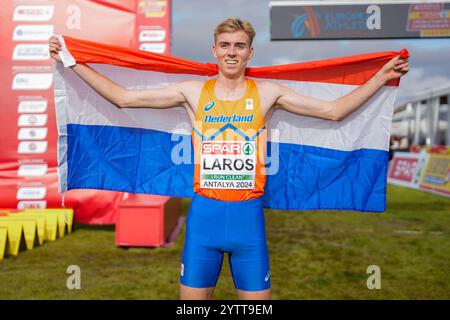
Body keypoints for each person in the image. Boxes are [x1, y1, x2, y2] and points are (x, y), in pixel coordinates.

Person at [49, 17, 409, 300]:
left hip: (247, 222)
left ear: (251, 52)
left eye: (240, 45)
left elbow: (332, 111)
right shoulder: (192, 91)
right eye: (225, 45)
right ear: (215, 50)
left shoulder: (268, 93)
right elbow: (123, 98)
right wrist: (72, 61)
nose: (232, 51)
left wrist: (381, 77)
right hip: (204, 218)